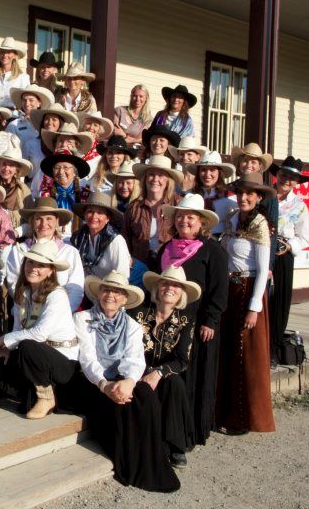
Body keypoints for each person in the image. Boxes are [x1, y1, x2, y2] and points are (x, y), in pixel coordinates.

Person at [73, 271, 180, 492]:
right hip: (93, 382)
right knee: (119, 404)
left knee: (145, 396)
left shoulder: (131, 326)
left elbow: (135, 359)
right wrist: (105, 385)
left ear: (124, 299)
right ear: (98, 293)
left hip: (119, 379)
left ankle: (151, 462)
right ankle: (128, 462)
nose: (110, 295)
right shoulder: (83, 319)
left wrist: (129, 382)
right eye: (106, 289)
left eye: (117, 292)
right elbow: (87, 358)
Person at [158, 193, 228, 447]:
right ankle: (170, 427)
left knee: (196, 376)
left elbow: (219, 289)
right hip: (170, 322)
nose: (184, 221)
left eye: (191, 217)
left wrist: (211, 319)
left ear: (201, 223)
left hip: (199, 324)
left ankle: (191, 431)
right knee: (174, 376)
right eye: (180, 216)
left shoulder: (213, 251)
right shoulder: (167, 249)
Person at [0, 240, 78, 417]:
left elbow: (39, 334)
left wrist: (5, 340)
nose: (33, 268)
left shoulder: (57, 295)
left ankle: (46, 398)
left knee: (28, 346)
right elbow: (17, 327)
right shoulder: (24, 292)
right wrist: (7, 348)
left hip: (62, 359)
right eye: (30, 262)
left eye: (41, 265)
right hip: (35, 354)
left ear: (50, 270)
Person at [217, 173, 275, 434]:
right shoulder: (230, 218)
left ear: (259, 197)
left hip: (248, 289)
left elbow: (263, 270)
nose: (244, 197)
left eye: (249, 193)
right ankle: (222, 411)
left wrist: (254, 307)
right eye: (240, 192)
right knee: (227, 351)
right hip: (229, 288)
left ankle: (243, 418)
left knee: (246, 355)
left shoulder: (260, 224)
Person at [130, 266, 200, 469]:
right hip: (137, 368)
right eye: (165, 284)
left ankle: (175, 445)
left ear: (182, 293)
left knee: (175, 384)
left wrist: (158, 373)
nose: (170, 288)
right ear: (157, 288)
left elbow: (182, 359)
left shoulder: (185, 319)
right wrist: (142, 373)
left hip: (165, 372)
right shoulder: (139, 312)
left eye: (176, 286)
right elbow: (128, 348)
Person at [4, 198, 84, 312]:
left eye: (49, 219)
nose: (43, 224)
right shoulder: (19, 250)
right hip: (25, 313)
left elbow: (76, 288)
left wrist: (61, 312)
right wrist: (31, 310)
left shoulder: (70, 253)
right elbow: (15, 284)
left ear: (57, 221)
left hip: (59, 314)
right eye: (38, 219)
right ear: (32, 221)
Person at [269, 156, 309, 363]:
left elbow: (304, 237)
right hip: (260, 249)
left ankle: (273, 348)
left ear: (297, 182)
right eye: (284, 175)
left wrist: (287, 246)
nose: (287, 180)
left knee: (280, 300)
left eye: (292, 178)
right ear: (277, 175)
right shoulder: (265, 196)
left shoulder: (300, 206)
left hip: (283, 254)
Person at [124, 155, 182, 267]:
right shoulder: (134, 207)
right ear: (145, 178)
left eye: (160, 175)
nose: (155, 179)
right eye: (151, 174)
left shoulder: (178, 204)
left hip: (170, 264)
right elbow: (126, 238)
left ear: (168, 180)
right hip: (140, 264)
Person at [70, 192, 131, 279]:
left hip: (110, 288)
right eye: (90, 211)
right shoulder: (77, 237)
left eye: (100, 213)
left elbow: (122, 275)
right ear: (84, 215)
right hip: (84, 286)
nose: (94, 216)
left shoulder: (116, 240)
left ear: (108, 218)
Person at [186, 151, 236, 235]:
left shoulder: (230, 197)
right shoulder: (190, 196)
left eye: (212, 170)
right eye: (203, 170)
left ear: (219, 173)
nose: (207, 174)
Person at [7, 84, 54, 171]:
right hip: (21, 169)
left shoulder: (47, 124)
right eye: (24, 100)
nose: (27, 103)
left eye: (31, 100)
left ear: (39, 103)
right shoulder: (13, 125)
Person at [0, 147, 33, 230]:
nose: (6, 168)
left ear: (16, 170)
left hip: (15, 233)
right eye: (4, 164)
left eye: (11, 165)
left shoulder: (23, 189)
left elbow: (30, 216)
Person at [0, 37, 29, 110]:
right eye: (2, 52)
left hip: (15, 117)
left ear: (14, 56)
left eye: (8, 52)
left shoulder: (23, 78)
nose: (5, 55)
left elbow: (24, 101)